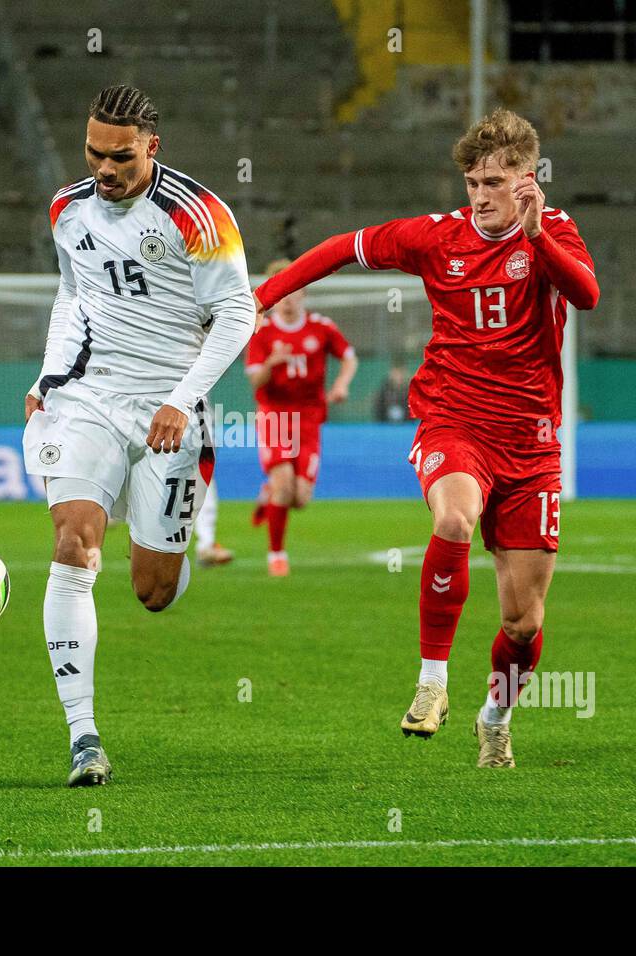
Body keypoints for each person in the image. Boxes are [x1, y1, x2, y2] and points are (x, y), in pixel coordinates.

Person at [253, 109, 598, 767]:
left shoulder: (554, 233)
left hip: (531, 442)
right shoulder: (437, 238)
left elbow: (586, 296)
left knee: (523, 624)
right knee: (453, 520)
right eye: (472, 181)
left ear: (528, 179)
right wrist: (264, 297)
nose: (480, 195)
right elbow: (340, 248)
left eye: (494, 181)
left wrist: (537, 237)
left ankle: (495, 715)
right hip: (455, 419)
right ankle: (432, 681)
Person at [22, 85, 255, 787]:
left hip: (169, 411)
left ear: (152, 147)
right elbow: (73, 294)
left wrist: (184, 401)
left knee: (154, 590)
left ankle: (155, 528)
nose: (104, 167)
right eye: (94, 151)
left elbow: (238, 314)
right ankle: (83, 736)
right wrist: (47, 376)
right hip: (88, 398)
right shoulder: (67, 209)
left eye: (120, 155)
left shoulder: (201, 216)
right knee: (72, 544)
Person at [246, 258, 358, 576]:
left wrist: (341, 384)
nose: (288, 298)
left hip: (309, 419)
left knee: (300, 498)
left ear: (303, 290)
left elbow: (349, 358)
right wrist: (272, 363)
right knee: (283, 486)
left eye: (293, 289)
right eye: (281, 291)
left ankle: (268, 493)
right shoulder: (263, 331)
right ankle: (276, 556)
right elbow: (254, 380)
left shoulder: (321, 327)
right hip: (274, 416)